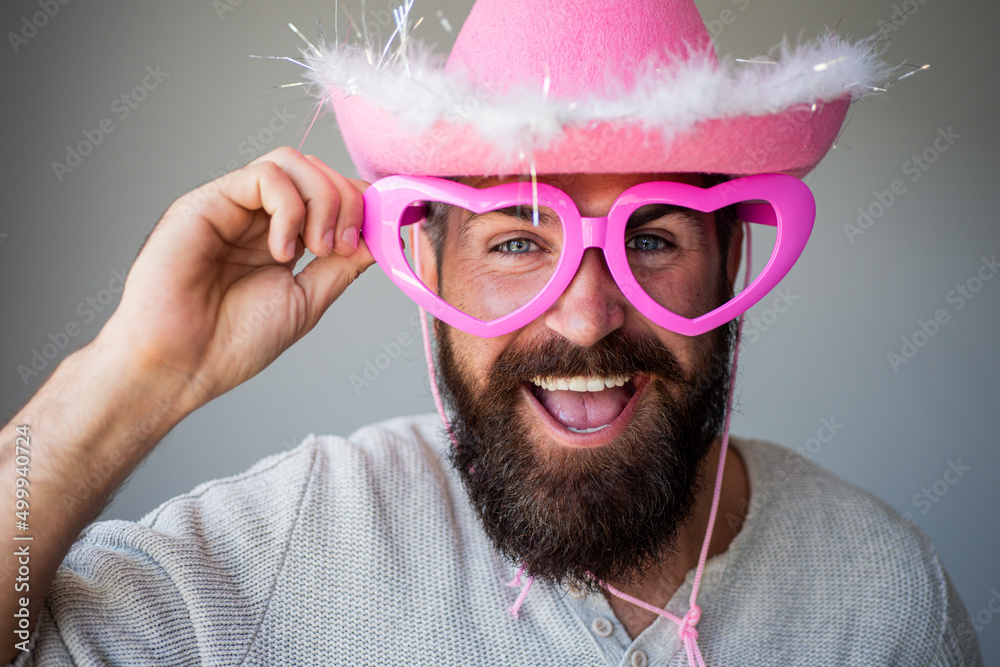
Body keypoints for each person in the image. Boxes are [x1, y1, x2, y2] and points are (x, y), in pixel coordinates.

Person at [0, 0, 983, 664]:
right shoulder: (301, 536)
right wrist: (135, 373)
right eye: (518, 241)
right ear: (427, 269)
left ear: (731, 260)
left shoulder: (883, 589)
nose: (587, 314)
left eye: (651, 236)